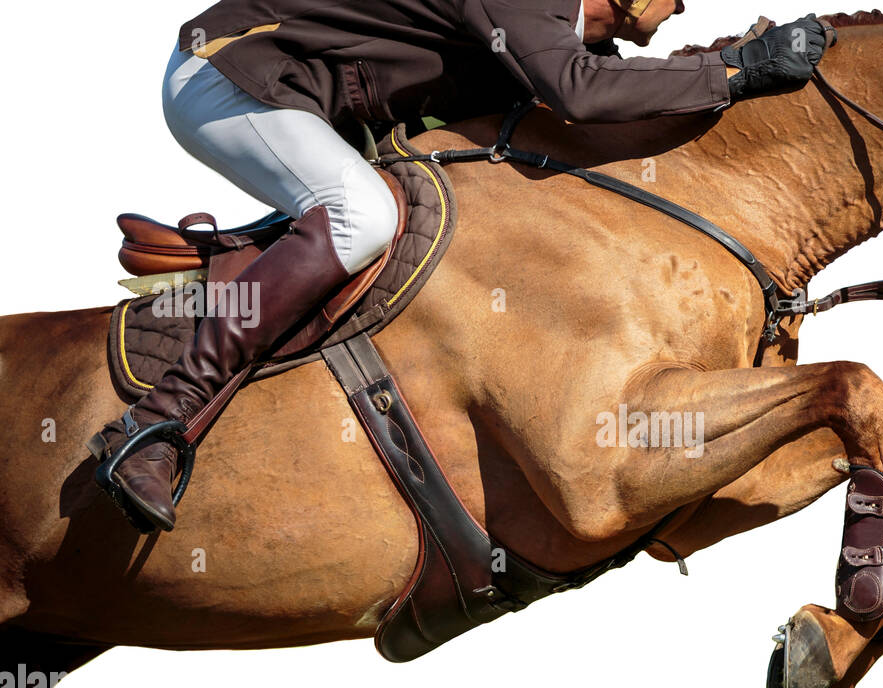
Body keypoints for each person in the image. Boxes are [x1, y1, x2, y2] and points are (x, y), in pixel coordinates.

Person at [92, 0, 828, 532]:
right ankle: (154, 424)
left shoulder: (551, 30)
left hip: (302, 99)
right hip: (229, 75)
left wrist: (730, 73)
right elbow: (577, 92)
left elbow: (596, 90)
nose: (684, 3)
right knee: (363, 216)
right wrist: (733, 71)